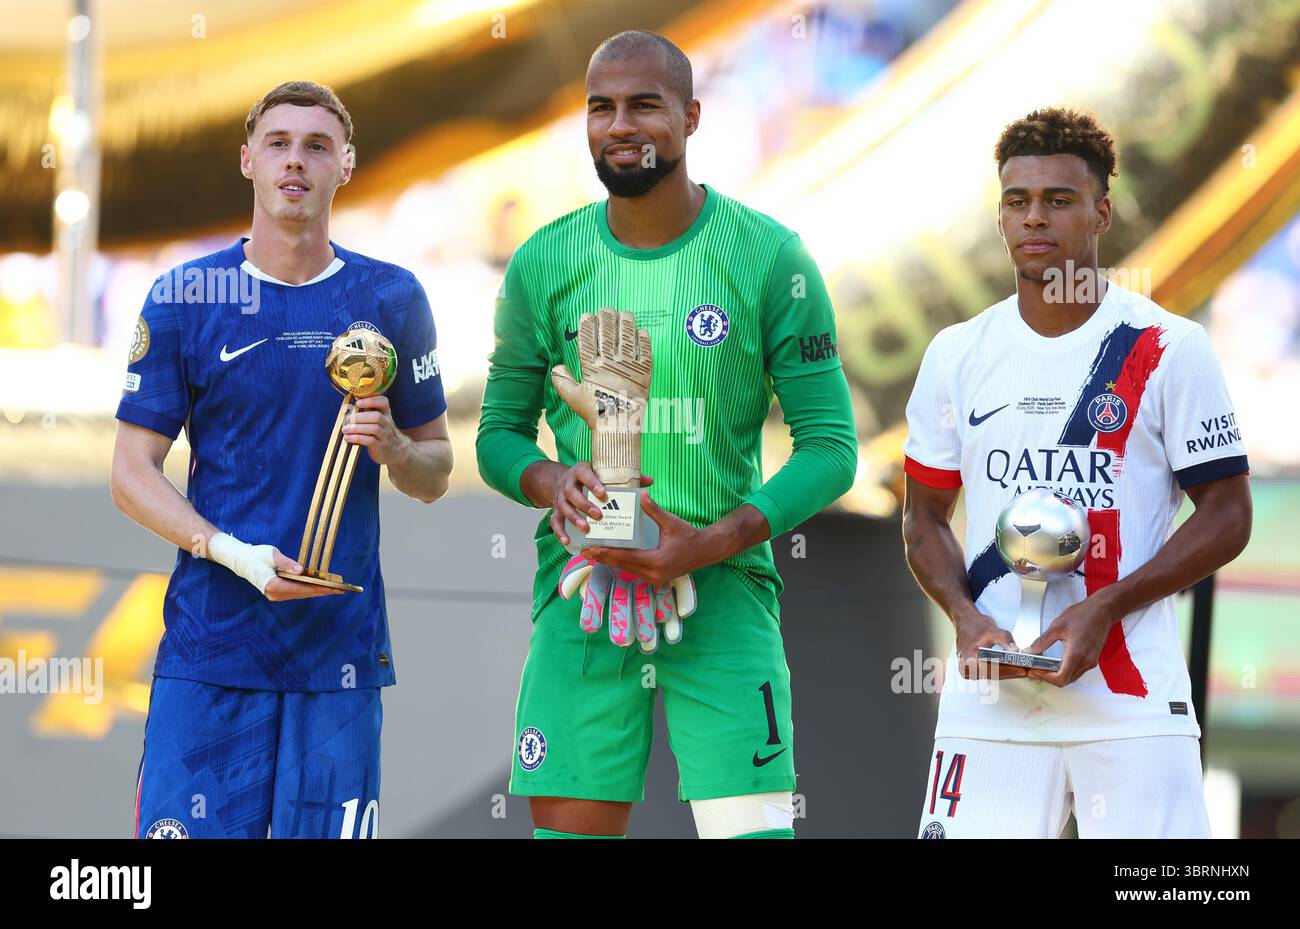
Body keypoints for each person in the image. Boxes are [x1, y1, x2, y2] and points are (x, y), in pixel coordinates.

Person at [476, 31, 857, 839]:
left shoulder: (769, 257)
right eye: (601, 108)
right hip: (583, 591)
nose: (621, 125)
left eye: (644, 105)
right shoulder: (544, 262)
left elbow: (831, 448)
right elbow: (500, 436)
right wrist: (554, 484)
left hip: (721, 593)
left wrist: (713, 540)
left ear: (690, 114)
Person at [111, 80, 453, 838]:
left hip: (339, 661)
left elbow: (435, 471)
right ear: (247, 160)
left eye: (316, 146)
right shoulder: (186, 296)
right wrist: (232, 553)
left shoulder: (391, 297)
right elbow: (130, 472)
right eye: (278, 143)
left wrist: (394, 445)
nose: (295, 161)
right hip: (209, 653)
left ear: (347, 166)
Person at [902, 107, 1252, 838]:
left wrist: (1104, 608)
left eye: (1059, 201)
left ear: (1100, 213)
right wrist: (967, 621)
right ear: (1000, 217)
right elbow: (923, 519)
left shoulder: (1166, 347)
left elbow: (1227, 513)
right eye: (1017, 201)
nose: (1036, 218)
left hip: (1129, 700)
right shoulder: (957, 354)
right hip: (990, 706)